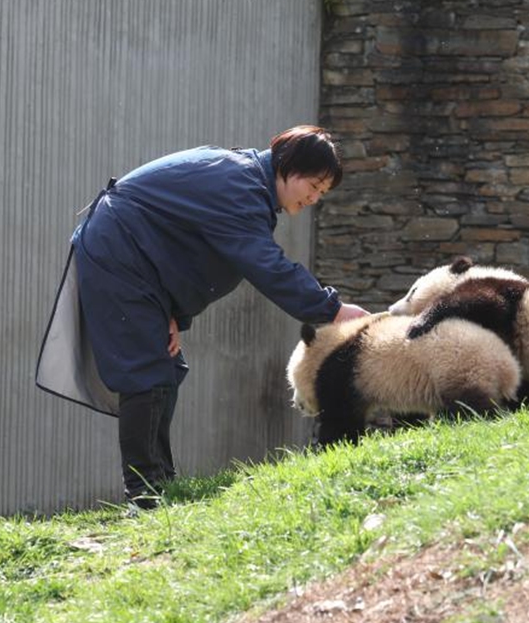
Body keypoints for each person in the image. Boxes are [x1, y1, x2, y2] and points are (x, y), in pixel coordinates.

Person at [36, 126, 371, 509]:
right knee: (146, 372)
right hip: (119, 254)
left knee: (164, 365)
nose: (313, 198)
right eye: (312, 185)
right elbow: (266, 266)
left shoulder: (246, 182)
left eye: (322, 193)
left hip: (137, 260)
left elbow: (185, 241)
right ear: (287, 166)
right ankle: (145, 495)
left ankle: (161, 486)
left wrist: (172, 312)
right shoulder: (240, 185)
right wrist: (332, 309)